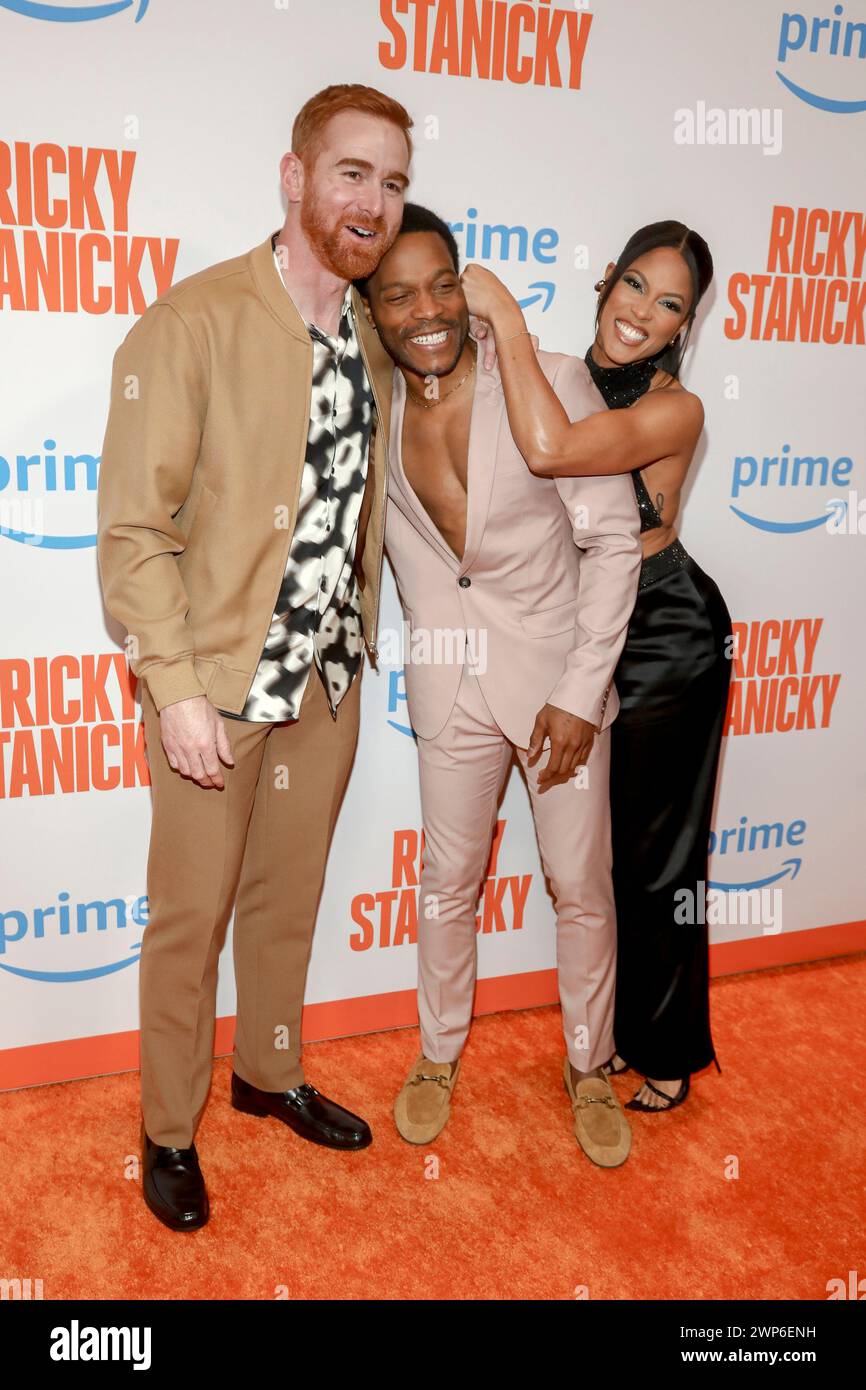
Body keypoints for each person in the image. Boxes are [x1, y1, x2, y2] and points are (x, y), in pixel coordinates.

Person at [97, 84, 412, 1231]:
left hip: (326, 678)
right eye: (350, 173)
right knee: (190, 917)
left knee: (286, 898)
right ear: (293, 177)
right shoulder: (191, 324)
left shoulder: (373, 340)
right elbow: (136, 532)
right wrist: (172, 690)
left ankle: (266, 1071)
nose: (371, 201)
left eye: (391, 181)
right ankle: (168, 1128)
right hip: (217, 686)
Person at [356, 204, 642, 1167]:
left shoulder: (553, 381)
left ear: (468, 283)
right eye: (397, 294)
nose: (425, 310)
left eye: (441, 284)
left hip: (557, 687)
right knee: (445, 886)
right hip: (449, 686)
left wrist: (579, 688)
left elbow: (610, 547)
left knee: (578, 888)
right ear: (375, 308)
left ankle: (589, 1063)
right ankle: (437, 1055)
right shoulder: (377, 406)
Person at [461, 221, 732, 1114]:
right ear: (606, 283)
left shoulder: (673, 409)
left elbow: (552, 451)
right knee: (595, 860)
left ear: (684, 328)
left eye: (669, 305)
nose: (642, 313)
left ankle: (666, 1048)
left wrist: (498, 311)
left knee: (657, 856)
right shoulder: (562, 376)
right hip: (573, 628)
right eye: (634, 286)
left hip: (662, 634)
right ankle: (601, 1037)